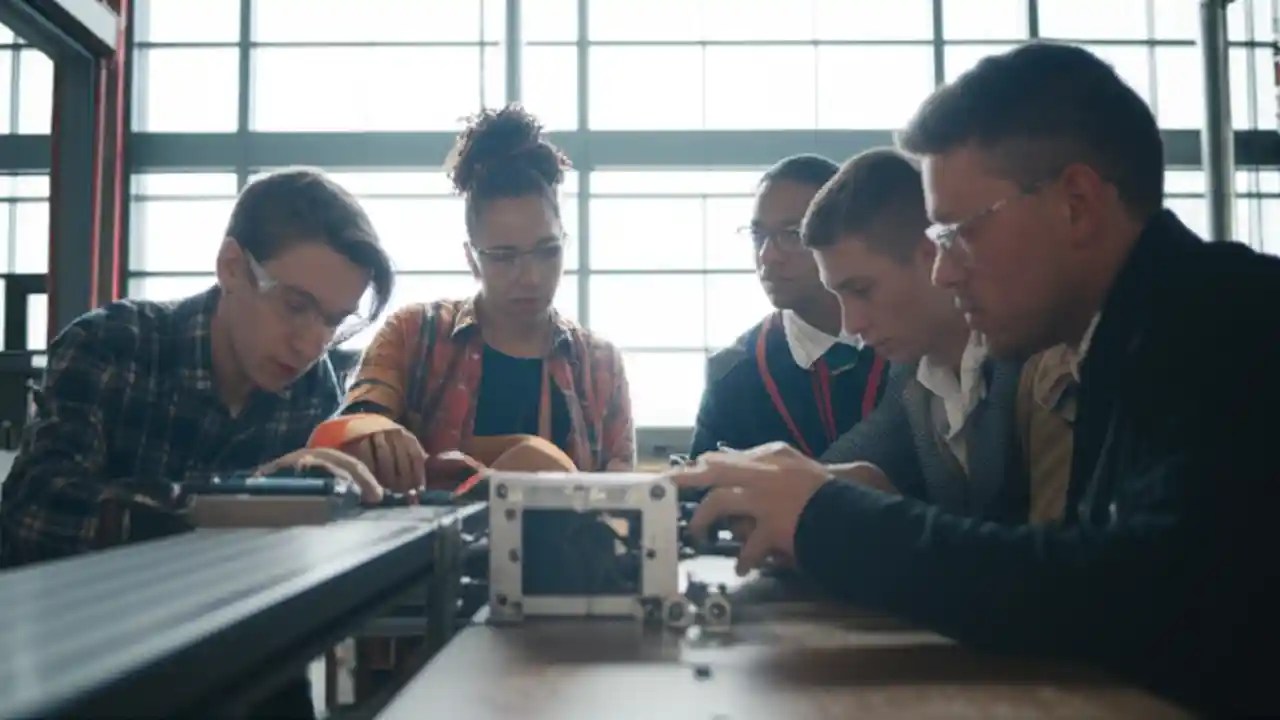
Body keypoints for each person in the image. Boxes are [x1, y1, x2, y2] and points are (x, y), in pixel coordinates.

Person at [674, 42, 1280, 715]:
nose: (943, 271)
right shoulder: (1137, 331)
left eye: (959, 233)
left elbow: (1124, 595)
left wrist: (825, 517)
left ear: (1076, 203)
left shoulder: (1229, 322)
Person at [0, 167, 394, 717]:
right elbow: (34, 513)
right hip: (87, 668)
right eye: (296, 306)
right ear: (232, 267)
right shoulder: (113, 345)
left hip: (241, 669)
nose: (312, 343)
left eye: (334, 321)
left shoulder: (312, 389)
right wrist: (241, 500)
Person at [329, 104, 635, 491]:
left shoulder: (600, 364)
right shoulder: (416, 335)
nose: (531, 276)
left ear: (566, 243)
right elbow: (350, 429)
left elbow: (626, 505)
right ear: (472, 258)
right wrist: (371, 430)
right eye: (504, 257)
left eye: (547, 251)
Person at [810, 148, 1071, 523]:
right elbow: (854, 460)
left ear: (931, 254)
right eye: (838, 297)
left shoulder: (1039, 355)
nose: (851, 325)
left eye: (862, 290)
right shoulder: (913, 375)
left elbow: (1058, 558)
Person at [689, 155, 887, 461]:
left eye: (792, 235)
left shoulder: (909, 348)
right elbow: (704, 495)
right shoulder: (734, 373)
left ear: (848, 236)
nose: (768, 256)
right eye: (758, 236)